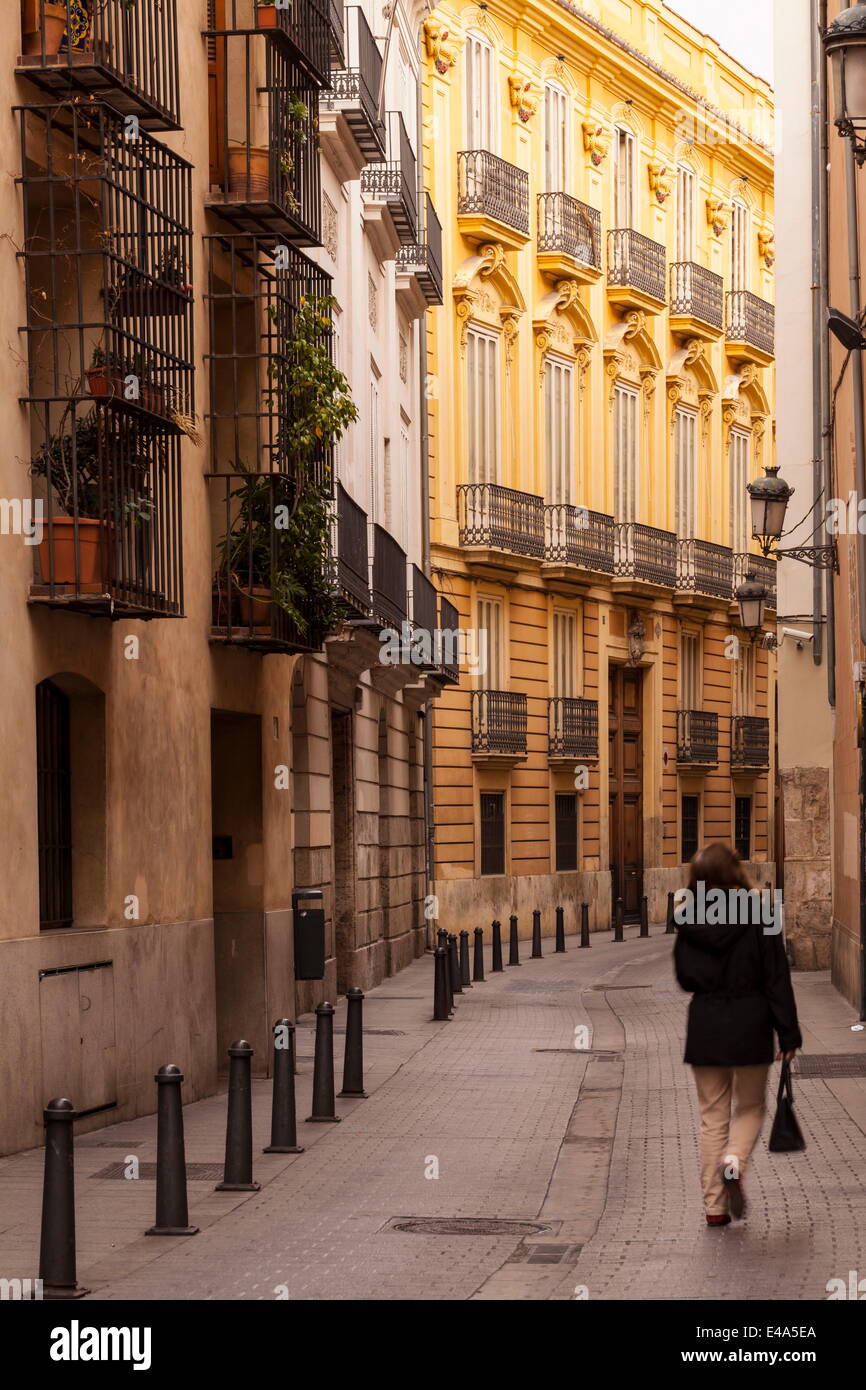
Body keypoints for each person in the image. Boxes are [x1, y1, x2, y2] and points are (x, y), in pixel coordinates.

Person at [673, 843, 802, 1227]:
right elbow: (777, 979)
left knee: (712, 1116)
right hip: (751, 1023)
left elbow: (684, 978)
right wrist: (789, 1035)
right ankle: (734, 1161)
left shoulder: (687, 918)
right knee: (750, 1107)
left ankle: (714, 1208)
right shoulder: (763, 915)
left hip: (707, 1023)